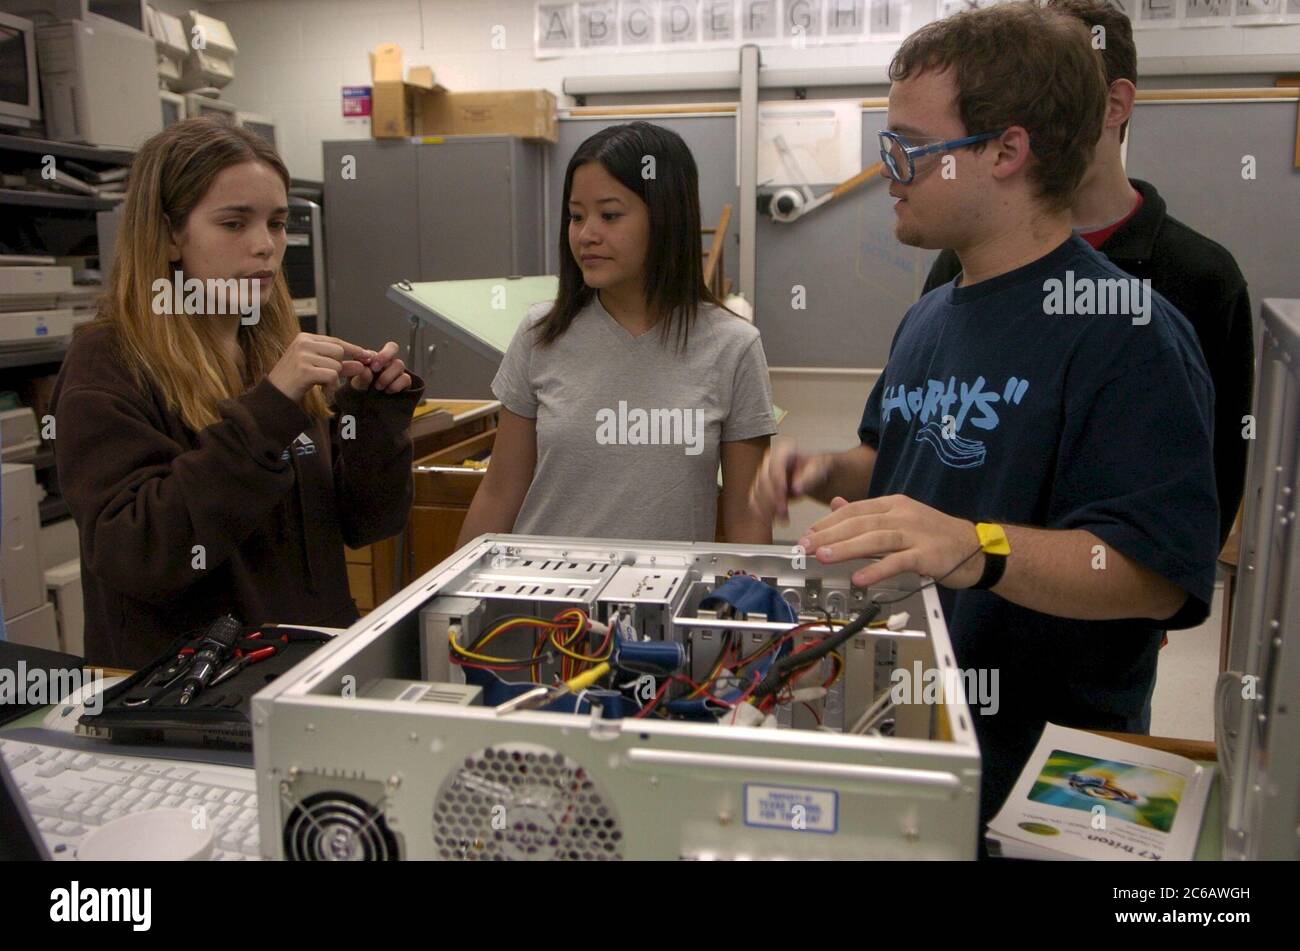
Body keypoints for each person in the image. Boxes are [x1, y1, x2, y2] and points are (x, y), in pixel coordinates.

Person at [748, 2, 1220, 832]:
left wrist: (978, 546)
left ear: (1006, 152)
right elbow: (914, 461)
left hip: (1044, 778)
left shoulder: (1129, 332)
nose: (888, 170)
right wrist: (829, 470)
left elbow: (1154, 574)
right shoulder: (933, 311)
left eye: (908, 149)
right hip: (917, 734)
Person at [49, 118, 423, 668]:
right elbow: (137, 552)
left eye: (276, 223)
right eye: (234, 223)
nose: (265, 246)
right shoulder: (109, 361)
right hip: (190, 696)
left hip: (304, 666)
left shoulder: (271, 348)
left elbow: (366, 523)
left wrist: (372, 418)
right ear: (170, 235)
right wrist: (268, 411)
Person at [923, 0, 1252, 549]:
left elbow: (1211, 482)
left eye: (1055, 86)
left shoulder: (1202, 279)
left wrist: (1150, 601)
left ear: (1114, 104)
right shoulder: (962, 260)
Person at [458, 121, 776, 546]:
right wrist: (453, 602)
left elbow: (747, 517)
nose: (586, 234)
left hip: (663, 598)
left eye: (609, 215)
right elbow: (499, 493)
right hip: (544, 598)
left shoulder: (733, 348)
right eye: (576, 216)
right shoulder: (540, 335)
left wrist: (745, 603)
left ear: (665, 218)